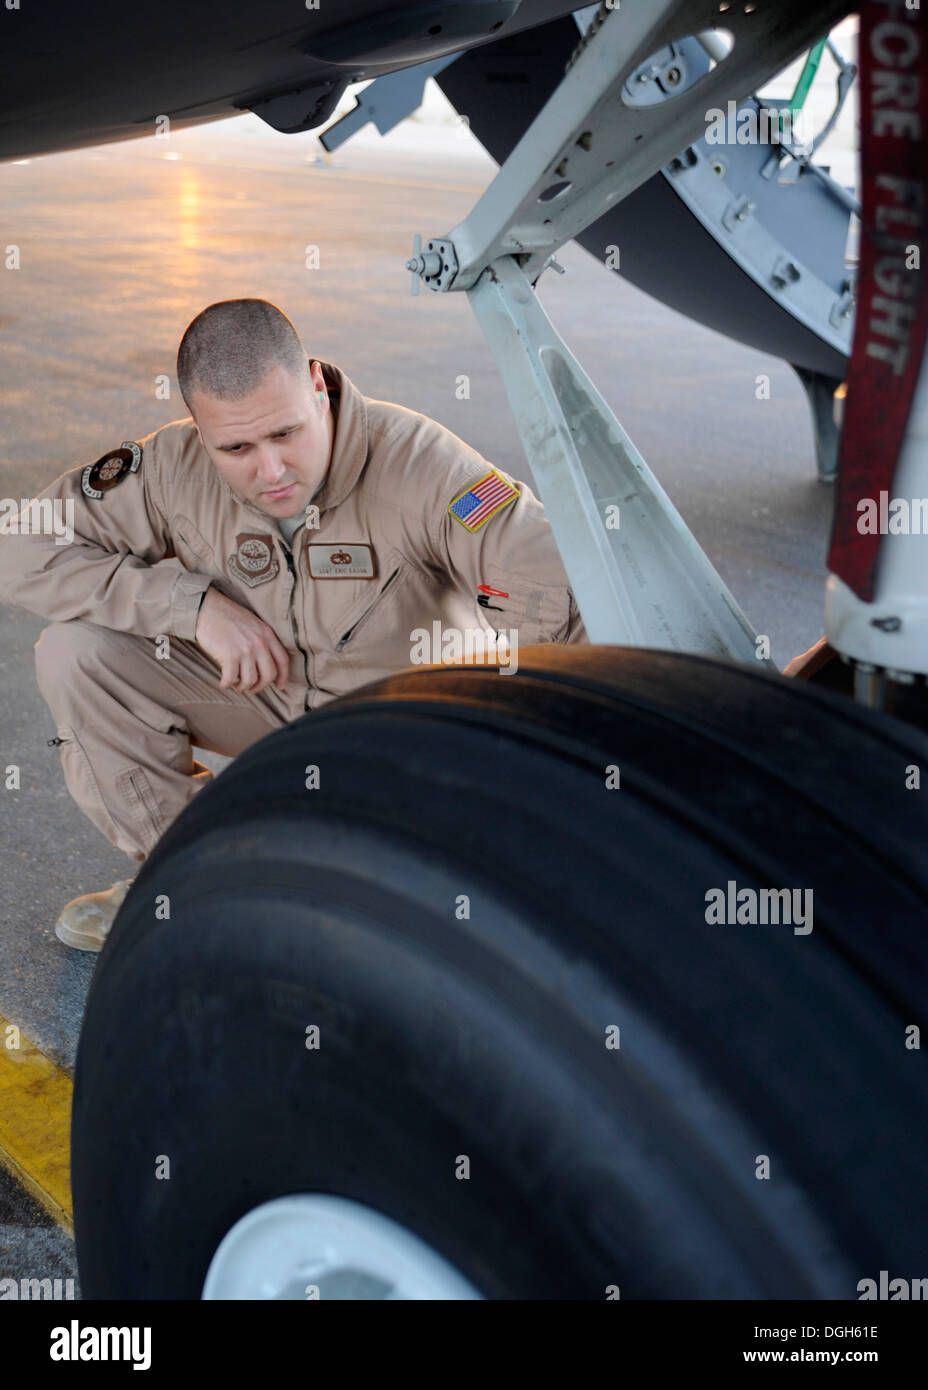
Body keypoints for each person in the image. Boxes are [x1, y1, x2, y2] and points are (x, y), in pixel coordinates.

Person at [0, 298, 587, 950]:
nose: (271, 471)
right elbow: (17, 546)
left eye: (285, 434)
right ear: (199, 428)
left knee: (418, 940)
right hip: (267, 698)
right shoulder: (171, 467)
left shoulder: (423, 463)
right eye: (237, 447)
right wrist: (190, 606)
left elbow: (565, 597)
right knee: (75, 653)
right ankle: (190, 878)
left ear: (317, 386)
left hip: (406, 735)